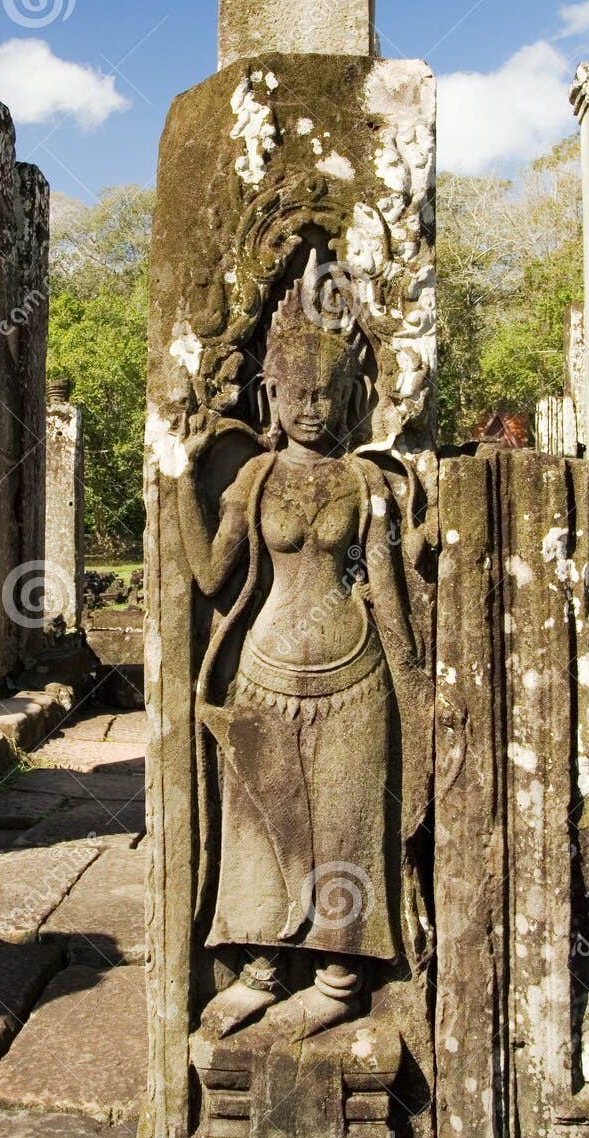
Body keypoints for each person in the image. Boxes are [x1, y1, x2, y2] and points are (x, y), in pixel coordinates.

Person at [178, 257, 424, 1041]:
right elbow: (211, 575)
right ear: (270, 399)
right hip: (262, 677)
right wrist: (183, 481)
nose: (311, 409)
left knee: (349, 828)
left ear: (349, 400)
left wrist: (415, 682)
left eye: (326, 395)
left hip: (355, 681)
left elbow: (385, 587)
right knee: (258, 829)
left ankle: (340, 976)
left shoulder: (365, 484)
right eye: (295, 395)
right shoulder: (250, 479)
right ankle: (258, 970)